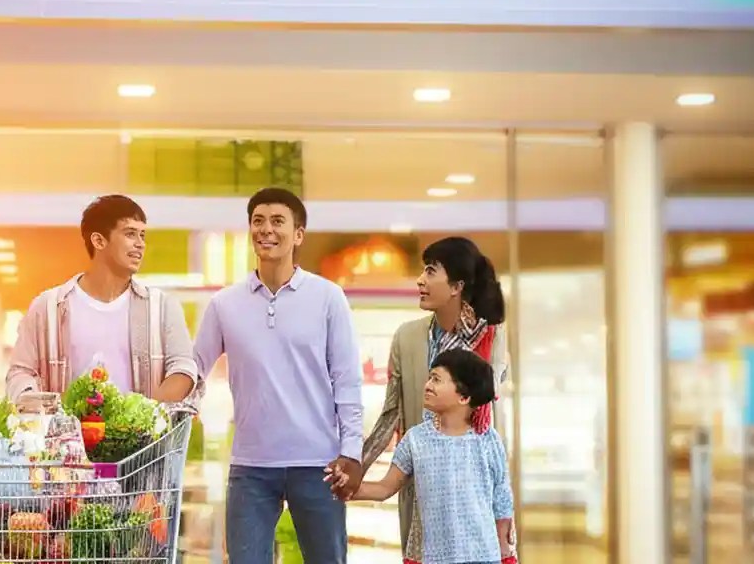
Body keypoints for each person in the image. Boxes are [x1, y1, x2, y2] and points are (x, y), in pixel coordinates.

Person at [192, 187, 363, 564]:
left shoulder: (328, 297)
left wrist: (352, 452)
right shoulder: (224, 304)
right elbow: (193, 372)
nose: (266, 229)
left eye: (277, 221)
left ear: (298, 234)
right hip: (251, 468)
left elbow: (347, 380)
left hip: (319, 466)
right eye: (258, 221)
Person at [339, 236, 510, 561]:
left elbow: (490, 422)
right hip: (422, 487)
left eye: (431, 272)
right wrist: (355, 466)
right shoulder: (407, 337)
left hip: (473, 493)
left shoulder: (490, 338)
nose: (420, 280)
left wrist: (504, 528)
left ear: (457, 285)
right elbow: (391, 415)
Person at [330, 349, 517, 564]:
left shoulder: (487, 439)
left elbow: (502, 499)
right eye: (429, 378)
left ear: (464, 397)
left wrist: (506, 554)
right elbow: (384, 488)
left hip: (485, 556)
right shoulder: (415, 439)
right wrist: (345, 486)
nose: (427, 385)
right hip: (436, 558)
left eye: (437, 379)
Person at [6, 194, 198, 403]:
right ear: (98, 240)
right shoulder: (48, 307)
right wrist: (44, 410)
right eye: (130, 234)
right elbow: (20, 373)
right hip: (68, 435)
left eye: (142, 235)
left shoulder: (162, 308)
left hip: (144, 435)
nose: (140, 244)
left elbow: (183, 367)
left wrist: (149, 416)